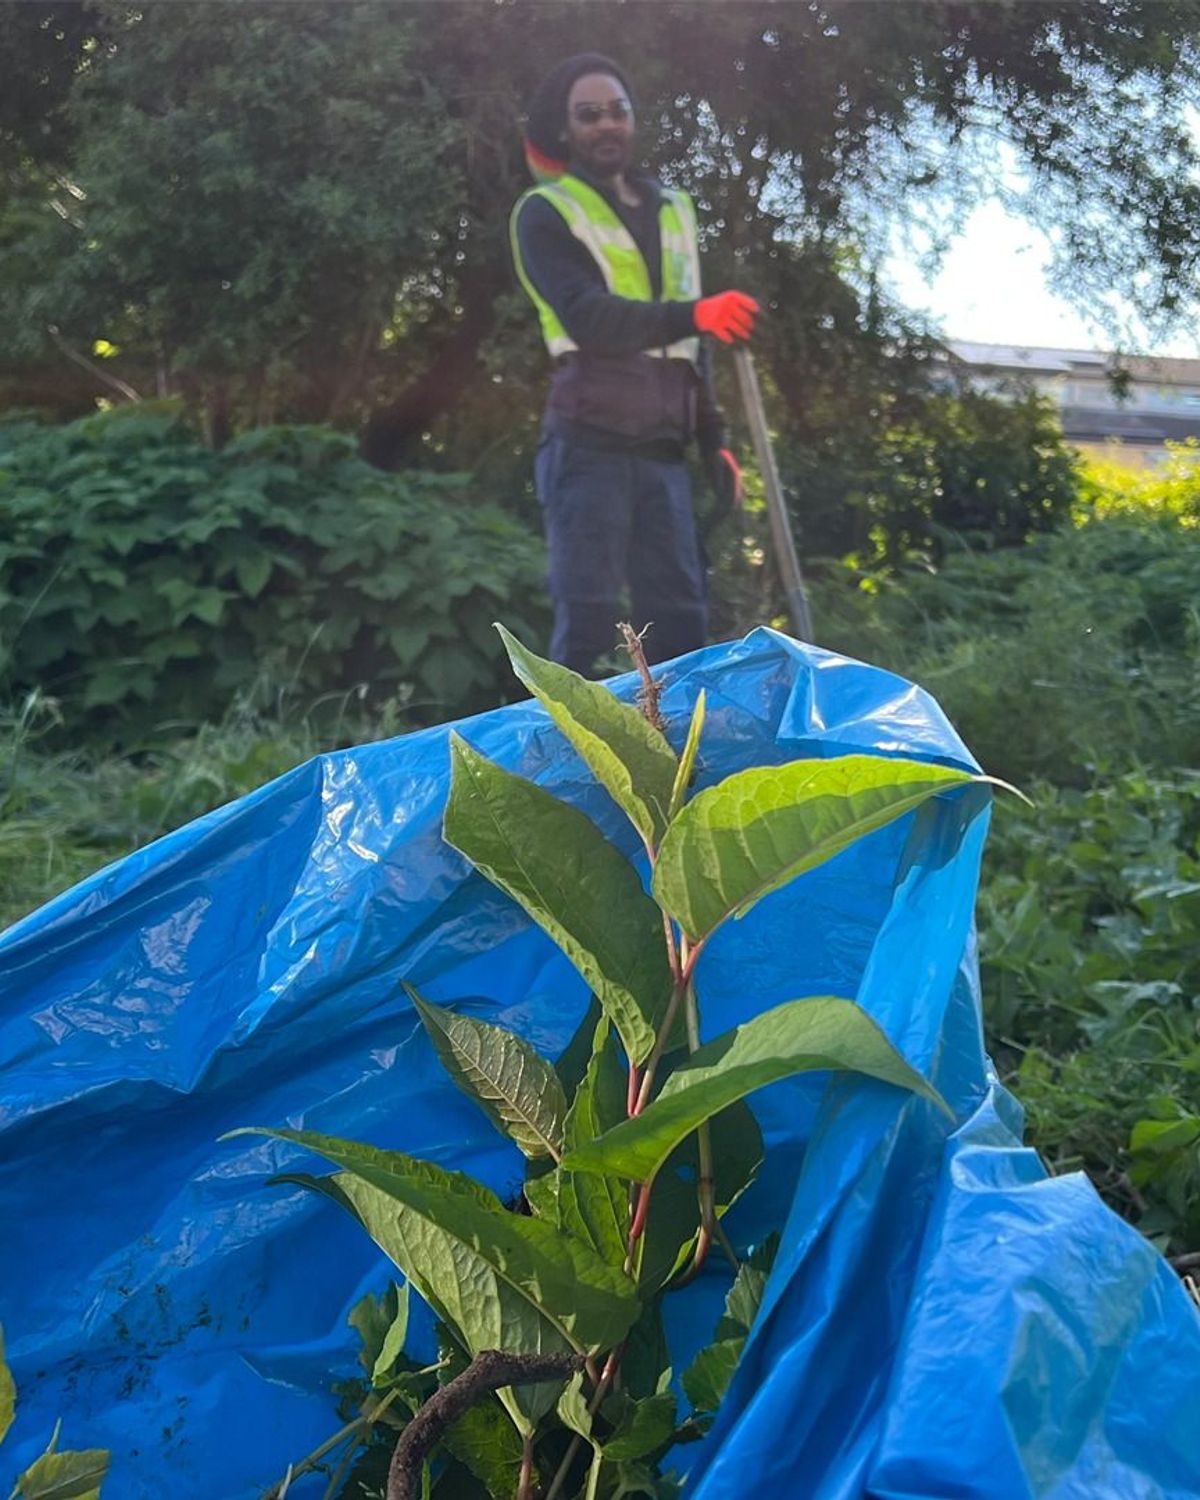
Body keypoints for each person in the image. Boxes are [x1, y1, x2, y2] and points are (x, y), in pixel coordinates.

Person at [510, 52, 759, 676]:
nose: (605, 124)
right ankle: (569, 769)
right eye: (588, 114)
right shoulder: (545, 212)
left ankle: (681, 767)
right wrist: (695, 314)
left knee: (682, 623)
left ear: (634, 119)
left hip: (664, 457)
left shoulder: (674, 210)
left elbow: (687, 352)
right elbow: (588, 319)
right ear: (566, 130)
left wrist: (715, 440)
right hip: (586, 448)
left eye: (617, 110)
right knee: (586, 624)